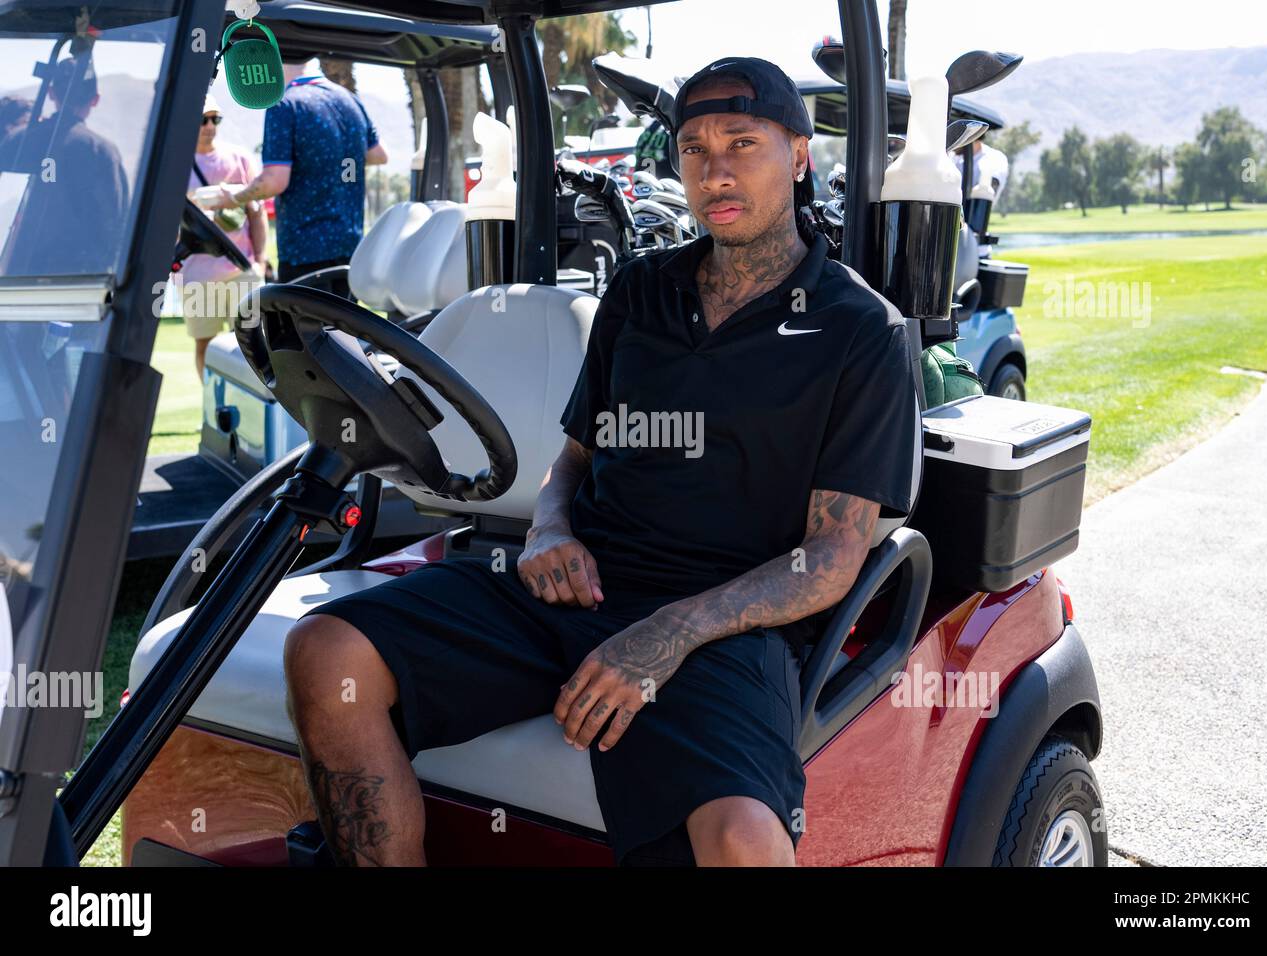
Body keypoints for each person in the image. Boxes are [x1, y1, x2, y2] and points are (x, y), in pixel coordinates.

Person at [282, 57, 919, 867]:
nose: (715, 171)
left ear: (798, 156)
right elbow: (575, 459)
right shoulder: (640, 291)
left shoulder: (862, 329)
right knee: (328, 651)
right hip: (579, 586)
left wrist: (666, 633)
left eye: (742, 144)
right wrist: (549, 529)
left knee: (742, 839)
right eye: (694, 149)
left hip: (725, 622)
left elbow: (833, 557)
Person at [214, 53, 387, 298]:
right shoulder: (350, 100)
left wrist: (234, 197)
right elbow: (378, 155)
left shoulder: (284, 104)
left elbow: (274, 180)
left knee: (303, 336)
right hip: (350, 250)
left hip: (304, 252)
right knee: (344, 334)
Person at [0, 55, 128, 276]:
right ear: (95, 99)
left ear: (51, 93)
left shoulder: (15, 144)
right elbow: (115, 225)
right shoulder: (102, 152)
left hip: (16, 276)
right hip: (76, 279)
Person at [178, 94, 267, 381]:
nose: (209, 125)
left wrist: (260, 261)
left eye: (215, 119)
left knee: (250, 343)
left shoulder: (240, 158)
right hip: (197, 274)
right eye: (203, 119)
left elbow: (257, 213)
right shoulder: (175, 163)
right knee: (204, 342)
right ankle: (212, 404)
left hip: (241, 269)